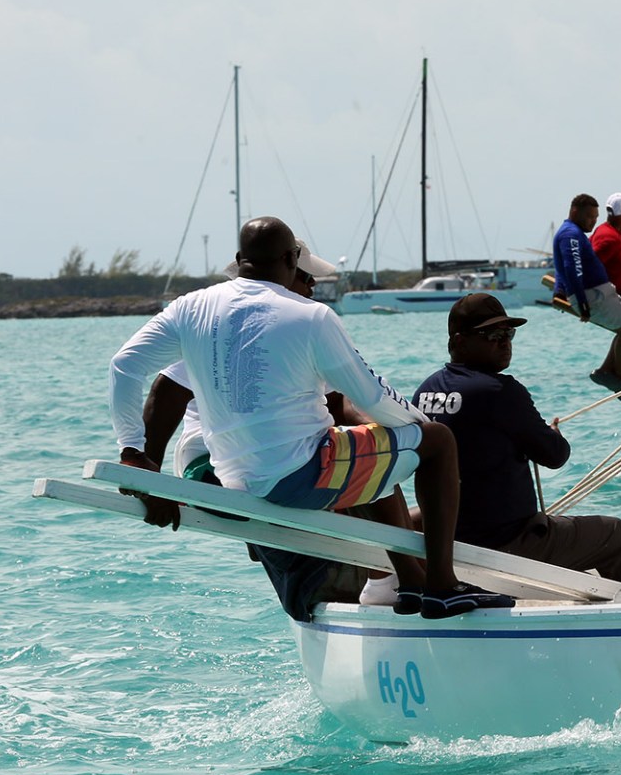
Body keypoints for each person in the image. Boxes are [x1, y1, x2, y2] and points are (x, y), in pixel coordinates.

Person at [109, 216, 513, 620]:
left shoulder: (190, 308)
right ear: (290, 259)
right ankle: (442, 586)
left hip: (231, 477)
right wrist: (418, 425)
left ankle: (404, 580)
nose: (313, 286)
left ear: (240, 258)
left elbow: (124, 365)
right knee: (437, 441)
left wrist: (134, 455)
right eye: (306, 275)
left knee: (372, 449)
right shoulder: (311, 317)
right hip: (292, 478)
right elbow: (372, 396)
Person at [133, 241, 411, 617]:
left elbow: (336, 406)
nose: (313, 286)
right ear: (279, 275)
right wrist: (151, 476)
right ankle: (393, 580)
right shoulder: (228, 327)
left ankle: (387, 579)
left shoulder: (302, 326)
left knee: (372, 460)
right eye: (306, 276)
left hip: (267, 461)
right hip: (211, 467)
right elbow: (164, 393)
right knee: (362, 469)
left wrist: (385, 427)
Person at [413, 293, 621, 587]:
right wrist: (554, 436)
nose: (504, 342)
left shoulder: (424, 392)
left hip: (452, 540)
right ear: (458, 342)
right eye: (491, 335)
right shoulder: (499, 391)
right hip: (505, 544)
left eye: (508, 333)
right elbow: (555, 455)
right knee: (613, 533)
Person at [550, 193, 621, 402]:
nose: (593, 221)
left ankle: (608, 370)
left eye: (596, 217)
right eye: (590, 217)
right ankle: (616, 373)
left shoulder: (573, 233)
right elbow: (571, 268)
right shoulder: (570, 234)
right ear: (574, 212)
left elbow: (562, 267)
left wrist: (558, 289)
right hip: (592, 295)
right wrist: (581, 302)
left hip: (599, 292)